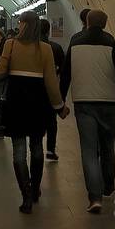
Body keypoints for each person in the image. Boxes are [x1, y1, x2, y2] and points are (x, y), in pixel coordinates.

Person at [0, 13, 68, 213]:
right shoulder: (45, 49)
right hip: (38, 102)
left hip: (16, 100)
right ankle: (35, 188)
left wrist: (7, 55)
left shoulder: (10, 44)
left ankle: (25, 194)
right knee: (36, 146)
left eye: (20, 23)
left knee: (19, 150)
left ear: (25, 25)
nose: (18, 26)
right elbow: (52, 83)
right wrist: (59, 106)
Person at [59, 9, 115, 214]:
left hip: (83, 101)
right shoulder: (112, 42)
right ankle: (109, 185)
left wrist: (61, 101)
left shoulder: (76, 42)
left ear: (86, 21)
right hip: (108, 101)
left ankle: (94, 197)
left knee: (88, 149)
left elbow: (66, 73)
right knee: (107, 146)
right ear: (105, 23)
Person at [43, 21, 66, 161]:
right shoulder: (56, 47)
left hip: (32, 90)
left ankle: (36, 146)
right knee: (52, 120)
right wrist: (62, 96)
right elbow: (62, 71)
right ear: (48, 31)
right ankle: (51, 149)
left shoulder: (28, 47)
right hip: (51, 89)